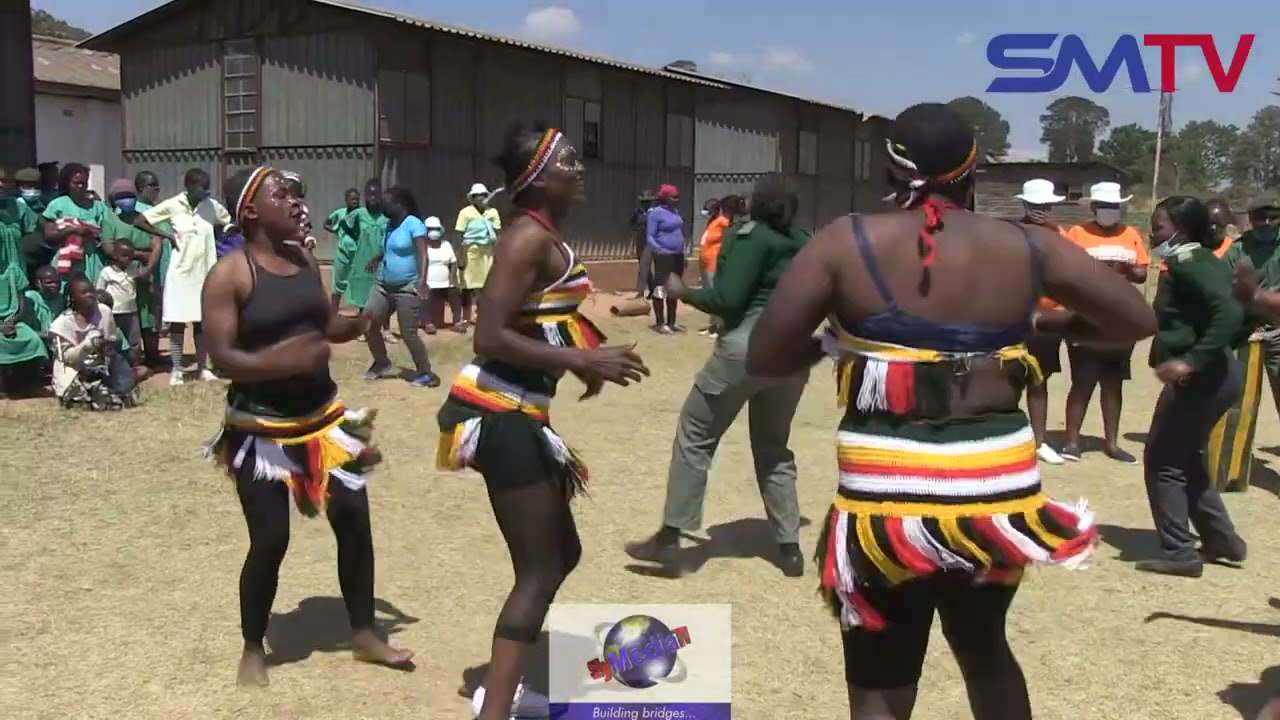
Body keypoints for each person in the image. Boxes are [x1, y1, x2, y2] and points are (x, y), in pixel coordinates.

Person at [744, 103, 1155, 720]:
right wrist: (1046, 324)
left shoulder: (846, 241)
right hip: (993, 492)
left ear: (891, 170)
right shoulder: (1027, 245)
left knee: (880, 671)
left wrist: (836, 341)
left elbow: (767, 358)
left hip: (885, 496)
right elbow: (1135, 318)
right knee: (985, 648)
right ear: (971, 172)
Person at [435, 124, 649, 720]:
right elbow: (489, 334)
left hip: (524, 411)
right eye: (568, 161)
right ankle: (497, 709)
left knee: (563, 551)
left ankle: (506, 692)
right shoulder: (525, 239)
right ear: (537, 177)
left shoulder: (546, 239)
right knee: (540, 568)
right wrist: (580, 358)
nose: (580, 169)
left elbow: (536, 319)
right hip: (499, 413)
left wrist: (580, 360)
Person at [202, 165, 414, 687]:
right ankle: (253, 645)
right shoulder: (231, 274)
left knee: (355, 523)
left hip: (323, 422)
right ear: (250, 211)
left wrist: (356, 321)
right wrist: (286, 361)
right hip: (261, 430)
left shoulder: (301, 260)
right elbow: (223, 357)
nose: (298, 202)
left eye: (298, 194)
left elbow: (323, 326)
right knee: (271, 540)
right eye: (283, 194)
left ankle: (364, 633)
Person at [625, 175, 811, 578]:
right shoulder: (802, 238)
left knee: (695, 434)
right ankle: (790, 547)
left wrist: (681, 291)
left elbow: (727, 300)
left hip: (749, 346)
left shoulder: (751, 237)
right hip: (794, 352)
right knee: (774, 447)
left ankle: (671, 537)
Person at [1139, 196, 1247, 577]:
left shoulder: (1188, 264)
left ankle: (1180, 552)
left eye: (1160, 224)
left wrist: (1192, 360)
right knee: (1185, 457)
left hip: (1204, 378)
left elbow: (1231, 313)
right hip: (1217, 374)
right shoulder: (1201, 260)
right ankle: (1222, 540)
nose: (1153, 231)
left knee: (1163, 461)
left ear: (1181, 229)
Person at [1061, 181, 1149, 464]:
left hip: (1120, 317)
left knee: (1113, 382)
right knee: (1083, 380)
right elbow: (1067, 271)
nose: (1110, 211)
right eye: (1105, 207)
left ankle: (1111, 442)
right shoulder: (1078, 233)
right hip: (1086, 315)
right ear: (1094, 208)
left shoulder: (1131, 234)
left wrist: (1124, 268)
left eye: (1115, 207)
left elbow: (1142, 273)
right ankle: (1072, 442)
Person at [141, 168, 228, 386]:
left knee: (202, 322)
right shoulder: (173, 205)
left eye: (207, 188)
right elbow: (140, 220)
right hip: (181, 273)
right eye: (201, 188)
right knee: (178, 322)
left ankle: (202, 367)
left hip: (206, 272)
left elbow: (227, 221)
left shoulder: (211, 206)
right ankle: (178, 370)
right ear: (189, 187)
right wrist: (167, 235)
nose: (205, 192)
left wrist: (229, 230)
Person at [1013, 179, 1070, 465]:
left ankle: (1039, 441)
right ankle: (1007, 440)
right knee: (1005, 379)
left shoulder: (1061, 235)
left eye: (1045, 206)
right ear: (1024, 204)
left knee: (1039, 380)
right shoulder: (1011, 233)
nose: (1040, 210)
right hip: (1012, 317)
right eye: (1034, 205)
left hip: (1046, 320)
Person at [361, 186, 438, 387]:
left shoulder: (414, 224)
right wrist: (376, 259)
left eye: (386, 202)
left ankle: (425, 373)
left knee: (408, 332)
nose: (382, 205)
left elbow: (423, 254)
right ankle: (381, 362)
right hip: (383, 285)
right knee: (368, 324)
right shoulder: (390, 224)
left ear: (400, 204)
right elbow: (388, 248)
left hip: (406, 286)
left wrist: (422, 282)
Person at [48, 273, 136, 409]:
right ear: (73, 298)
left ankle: (117, 393)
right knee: (78, 397)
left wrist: (107, 344)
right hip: (74, 368)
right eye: (84, 293)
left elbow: (113, 338)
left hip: (101, 365)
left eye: (91, 291)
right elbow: (66, 358)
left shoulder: (104, 312)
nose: (90, 295)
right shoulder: (61, 324)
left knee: (118, 364)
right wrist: (89, 345)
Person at [103, 178, 166, 368]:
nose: (127, 200)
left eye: (130, 196)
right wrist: (137, 254)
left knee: (149, 315)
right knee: (126, 316)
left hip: (146, 274)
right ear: (113, 200)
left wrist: (147, 270)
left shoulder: (145, 217)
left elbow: (157, 244)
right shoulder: (110, 221)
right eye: (121, 197)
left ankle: (153, 356)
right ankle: (128, 358)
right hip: (121, 275)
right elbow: (108, 248)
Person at [338, 178, 389, 337]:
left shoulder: (386, 216)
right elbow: (345, 225)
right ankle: (363, 329)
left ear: (381, 196)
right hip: (362, 260)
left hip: (382, 260)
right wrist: (355, 240)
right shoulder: (358, 214)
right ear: (365, 197)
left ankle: (385, 330)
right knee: (363, 296)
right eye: (369, 195)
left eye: (376, 195)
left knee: (384, 295)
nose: (372, 198)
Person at [454, 182, 502, 330]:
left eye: (484, 195)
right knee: (467, 287)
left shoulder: (492, 212)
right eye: (478, 196)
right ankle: (466, 320)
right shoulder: (465, 212)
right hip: (469, 252)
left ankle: (484, 316)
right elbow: (459, 235)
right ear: (472, 198)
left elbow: (497, 233)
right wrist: (461, 257)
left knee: (487, 287)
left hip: (487, 252)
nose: (481, 198)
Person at [0, 250, 48, 398]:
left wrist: (13, 321)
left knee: (33, 340)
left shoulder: (13, 269)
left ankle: (28, 384)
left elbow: (21, 304)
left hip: (13, 321)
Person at [696, 195, 744, 338]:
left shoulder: (723, 222)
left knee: (715, 295)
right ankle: (713, 325)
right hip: (705, 263)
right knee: (709, 296)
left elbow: (731, 236)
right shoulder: (712, 222)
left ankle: (721, 327)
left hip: (714, 264)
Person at [646, 184, 687, 334]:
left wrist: (684, 251)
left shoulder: (675, 211)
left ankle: (672, 321)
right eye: (673, 197)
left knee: (674, 288)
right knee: (660, 287)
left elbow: (680, 233)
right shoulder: (655, 213)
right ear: (665, 198)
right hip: (663, 255)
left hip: (678, 254)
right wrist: (659, 250)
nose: (677, 200)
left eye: (678, 197)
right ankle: (660, 323)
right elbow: (650, 236)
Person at [0, 168, 40, 282]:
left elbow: (33, 236)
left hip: (18, 274)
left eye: (3, 180)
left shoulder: (18, 207)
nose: (1, 184)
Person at [422, 215, 459, 334]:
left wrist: (453, 279)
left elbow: (453, 263)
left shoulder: (446, 244)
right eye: (431, 229)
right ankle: (428, 323)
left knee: (455, 294)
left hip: (445, 282)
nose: (434, 232)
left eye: (436, 229)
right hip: (429, 283)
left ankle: (457, 322)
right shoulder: (421, 246)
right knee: (424, 298)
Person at [325, 187, 361, 310]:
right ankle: (333, 313)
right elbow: (326, 223)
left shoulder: (363, 214)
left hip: (359, 255)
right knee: (338, 283)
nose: (355, 201)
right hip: (343, 254)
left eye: (357, 199)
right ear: (346, 200)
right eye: (352, 199)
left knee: (362, 284)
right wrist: (335, 230)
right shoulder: (340, 213)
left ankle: (362, 315)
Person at [631, 189, 656, 299]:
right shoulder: (638, 212)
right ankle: (652, 289)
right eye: (643, 201)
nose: (644, 203)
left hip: (651, 244)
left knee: (643, 267)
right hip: (640, 243)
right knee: (645, 268)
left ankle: (641, 292)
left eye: (647, 201)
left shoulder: (655, 213)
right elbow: (632, 223)